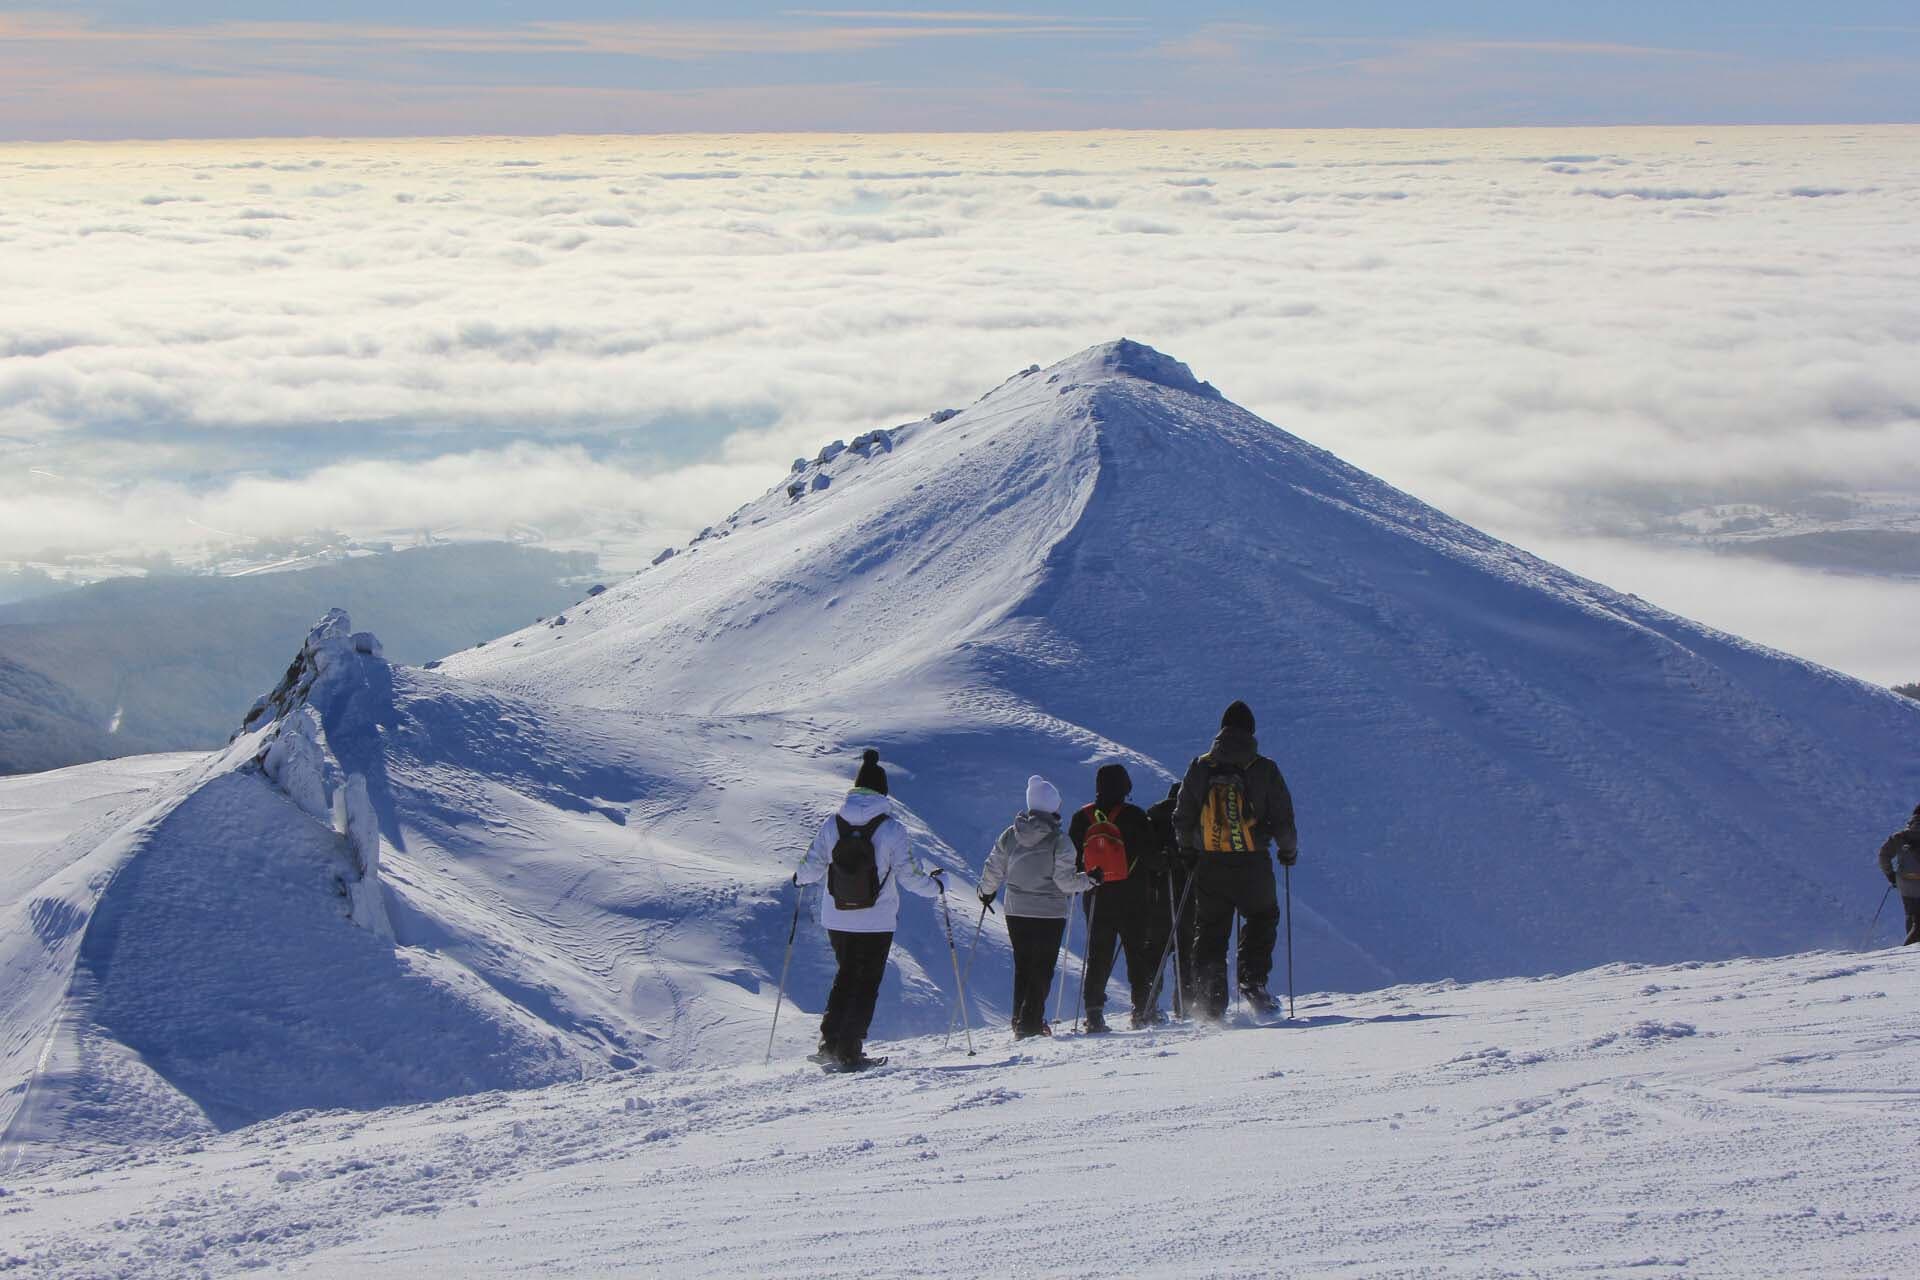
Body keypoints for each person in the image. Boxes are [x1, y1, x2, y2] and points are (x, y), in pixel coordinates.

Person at [794, 749, 943, 1071]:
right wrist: (936, 887)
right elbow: (909, 874)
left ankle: (829, 1043)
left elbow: (811, 866)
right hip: (876, 920)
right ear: (882, 793)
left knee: (845, 977)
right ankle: (850, 1049)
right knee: (866, 984)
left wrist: (798, 878)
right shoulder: (892, 829)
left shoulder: (832, 824)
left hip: (836, 915)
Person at [1173, 700, 1298, 1020]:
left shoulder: (1200, 766)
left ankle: (1212, 1000)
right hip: (1253, 862)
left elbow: (1183, 814)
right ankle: (1252, 981)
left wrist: (1188, 851)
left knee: (1211, 928)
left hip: (1211, 862)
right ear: (1251, 731)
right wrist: (1288, 851)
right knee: (1262, 917)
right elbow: (1282, 816)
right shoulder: (1263, 768)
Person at [978, 774, 1099, 1039]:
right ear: (1054, 807)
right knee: (1042, 967)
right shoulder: (1060, 841)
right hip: (1048, 912)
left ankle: (1019, 1019)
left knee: (1023, 965)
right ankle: (1030, 1023)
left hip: (1016, 910)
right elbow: (1065, 883)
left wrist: (985, 891)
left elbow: (994, 867)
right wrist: (1089, 879)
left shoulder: (1010, 835)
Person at [1068, 764, 1166, 1031]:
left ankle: (1094, 1012)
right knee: (1137, 953)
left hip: (1096, 894)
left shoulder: (1082, 817)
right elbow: (1152, 857)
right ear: (1126, 787)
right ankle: (1142, 1009)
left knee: (1098, 955)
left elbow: (1073, 860)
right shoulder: (1134, 816)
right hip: (1132, 896)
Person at [1145, 780, 1195, 1016]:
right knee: (1187, 955)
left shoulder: (1152, 820)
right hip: (1188, 895)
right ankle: (1185, 1006)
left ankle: (1148, 1004)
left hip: (1157, 897)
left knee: (1156, 955)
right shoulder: (1192, 818)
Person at [1876, 803, 1920, 946]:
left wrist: (1890, 875)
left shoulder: (1900, 837)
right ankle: (1909, 949)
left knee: (1912, 916)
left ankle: (1911, 946)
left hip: (1906, 884)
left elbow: (1883, 855)